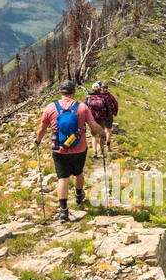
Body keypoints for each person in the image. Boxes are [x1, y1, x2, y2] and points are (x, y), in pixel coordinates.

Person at [36, 79, 104, 222]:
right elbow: (93, 126)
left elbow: (42, 129)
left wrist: (38, 141)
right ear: (74, 92)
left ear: (60, 92)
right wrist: (103, 134)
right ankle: (79, 196)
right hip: (79, 148)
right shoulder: (82, 108)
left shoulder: (50, 108)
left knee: (63, 178)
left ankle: (64, 211)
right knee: (78, 173)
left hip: (59, 149)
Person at [85, 80, 119, 153]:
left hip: (93, 119)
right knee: (103, 133)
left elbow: (84, 108)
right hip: (102, 118)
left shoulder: (89, 96)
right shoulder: (104, 97)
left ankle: (94, 151)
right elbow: (111, 107)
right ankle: (103, 149)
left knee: (94, 136)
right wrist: (112, 114)